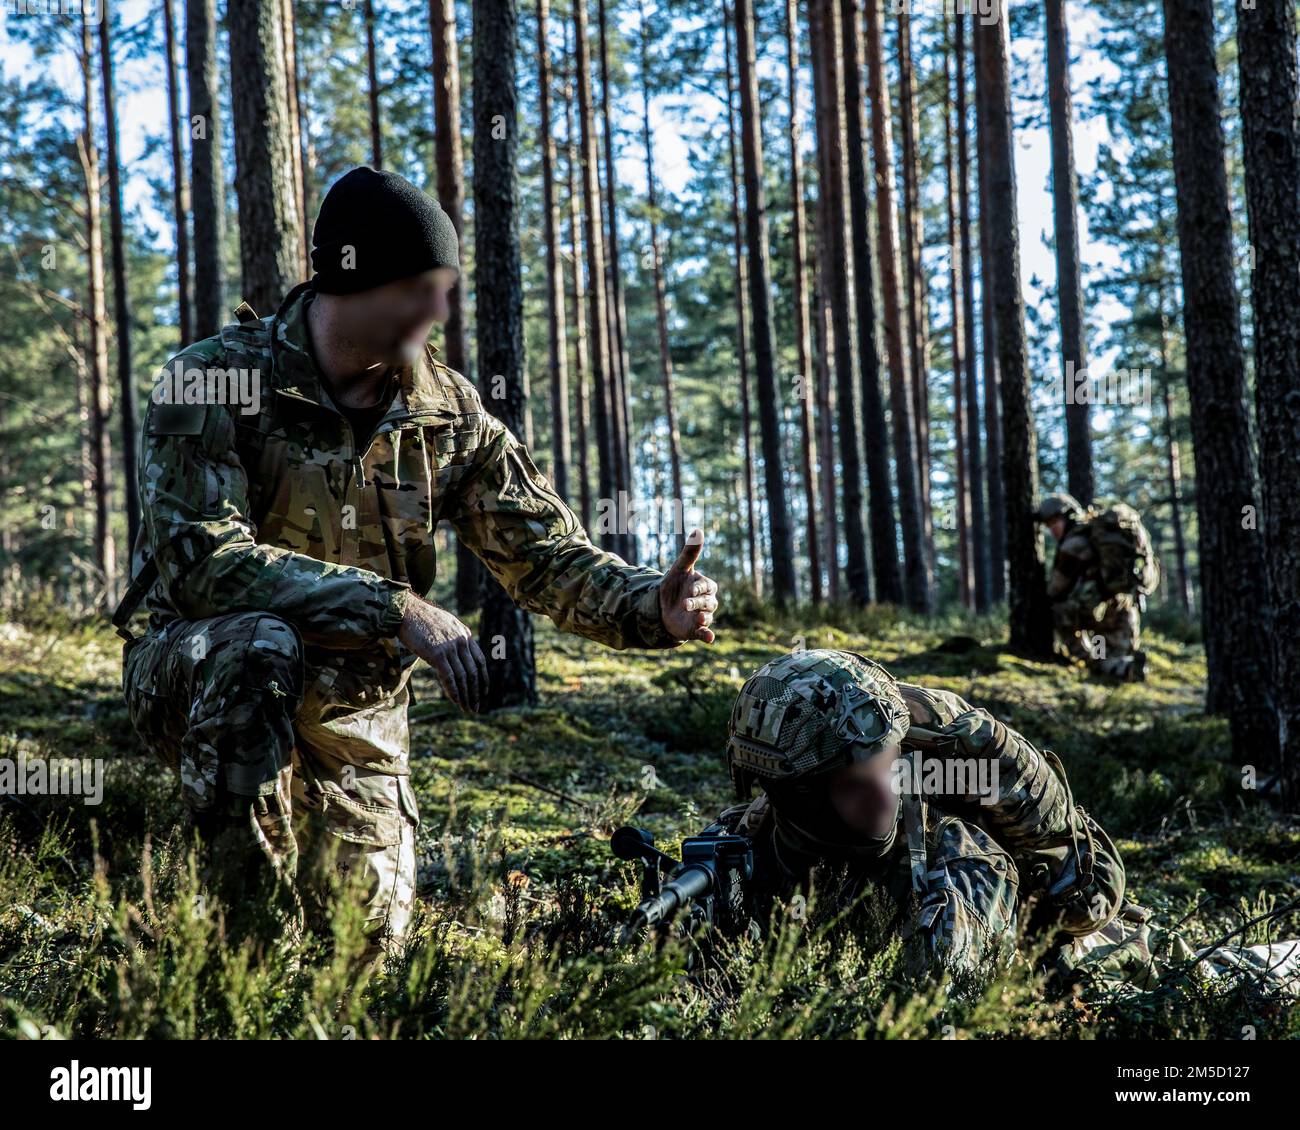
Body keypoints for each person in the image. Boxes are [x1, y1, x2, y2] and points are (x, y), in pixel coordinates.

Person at [114, 166, 720, 961]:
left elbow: (542, 554)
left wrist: (652, 606)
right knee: (258, 646)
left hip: (355, 710)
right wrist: (397, 608)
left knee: (367, 955)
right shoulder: (213, 380)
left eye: (446, 287)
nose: (440, 310)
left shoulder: (444, 410)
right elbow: (205, 564)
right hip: (198, 672)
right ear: (353, 281)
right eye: (421, 288)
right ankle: (245, 965)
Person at [715, 649, 1300, 999]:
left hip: (1060, 961)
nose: (882, 795)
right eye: (853, 783)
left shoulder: (952, 859)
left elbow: (945, 1001)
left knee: (1220, 973)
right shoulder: (747, 840)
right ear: (796, 796)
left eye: (890, 767)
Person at [1034, 493, 1158, 683]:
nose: (1052, 530)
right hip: (1124, 608)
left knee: (1063, 616)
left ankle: (1112, 668)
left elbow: (1056, 589)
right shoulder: (1102, 536)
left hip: (1096, 615)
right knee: (1114, 653)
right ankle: (1124, 668)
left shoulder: (1073, 544)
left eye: (1053, 523)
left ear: (1067, 516)